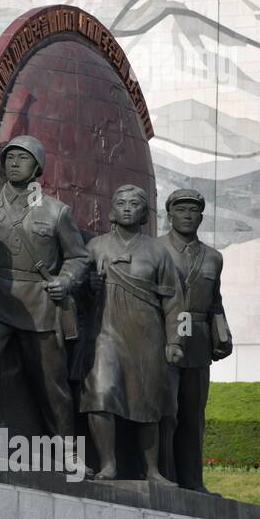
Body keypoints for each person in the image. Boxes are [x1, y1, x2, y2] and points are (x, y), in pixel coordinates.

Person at [0, 51, 90, 440]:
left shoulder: (56, 211)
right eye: (9, 157)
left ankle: (65, 448)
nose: (13, 163)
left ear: (37, 169)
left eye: (22, 159)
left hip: (39, 306)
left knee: (51, 384)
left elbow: (79, 257)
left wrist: (66, 279)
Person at [82, 185, 184, 483]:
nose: (127, 207)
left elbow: (175, 301)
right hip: (104, 331)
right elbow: (78, 297)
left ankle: (151, 469)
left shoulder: (157, 252)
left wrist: (175, 340)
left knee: (147, 400)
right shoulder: (96, 247)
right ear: (112, 210)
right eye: (121, 202)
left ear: (144, 213)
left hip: (147, 335)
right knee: (100, 392)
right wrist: (90, 288)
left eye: (135, 203)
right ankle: (108, 464)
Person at [159, 187, 232, 493]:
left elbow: (215, 301)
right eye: (181, 209)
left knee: (192, 415)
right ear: (170, 214)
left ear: (201, 216)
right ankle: (164, 475)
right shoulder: (155, 249)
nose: (187, 215)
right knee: (166, 412)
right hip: (165, 338)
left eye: (193, 210)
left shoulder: (214, 257)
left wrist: (222, 333)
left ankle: (192, 479)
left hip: (198, 342)